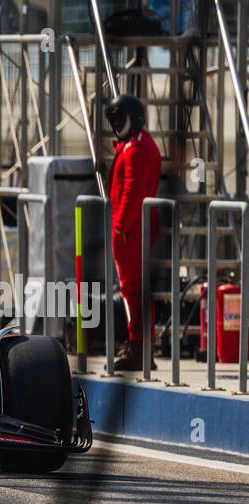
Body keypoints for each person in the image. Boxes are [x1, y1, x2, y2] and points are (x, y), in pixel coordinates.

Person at [105, 92, 162, 371]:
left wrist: (121, 226)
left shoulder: (136, 149)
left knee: (133, 289)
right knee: (134, 289)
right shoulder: (135, 145)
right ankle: (139, 343)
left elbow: (132, 190)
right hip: (134, 226)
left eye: (120, 119)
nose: (117, 125)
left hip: (131, 229)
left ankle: (139, 345)